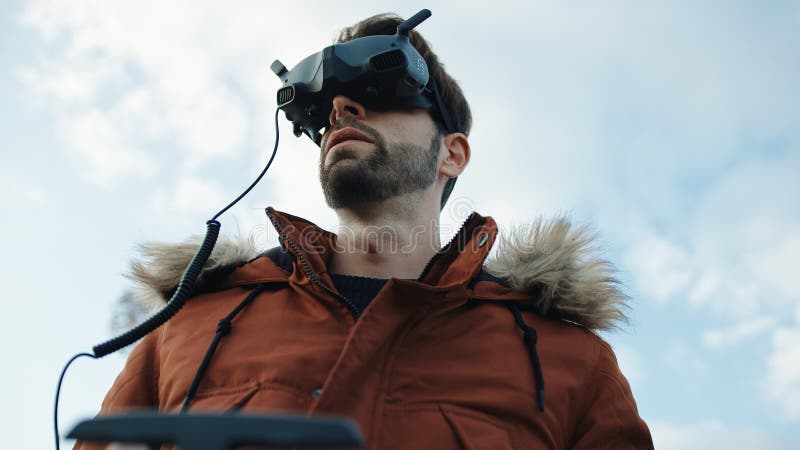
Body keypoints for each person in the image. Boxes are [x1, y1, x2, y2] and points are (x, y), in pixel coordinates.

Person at [76, 12, 653, 450]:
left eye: (381, 91)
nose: (343, 110)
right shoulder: (186, 328)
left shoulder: (569, 360)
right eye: (327, 108)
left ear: (451, 152)